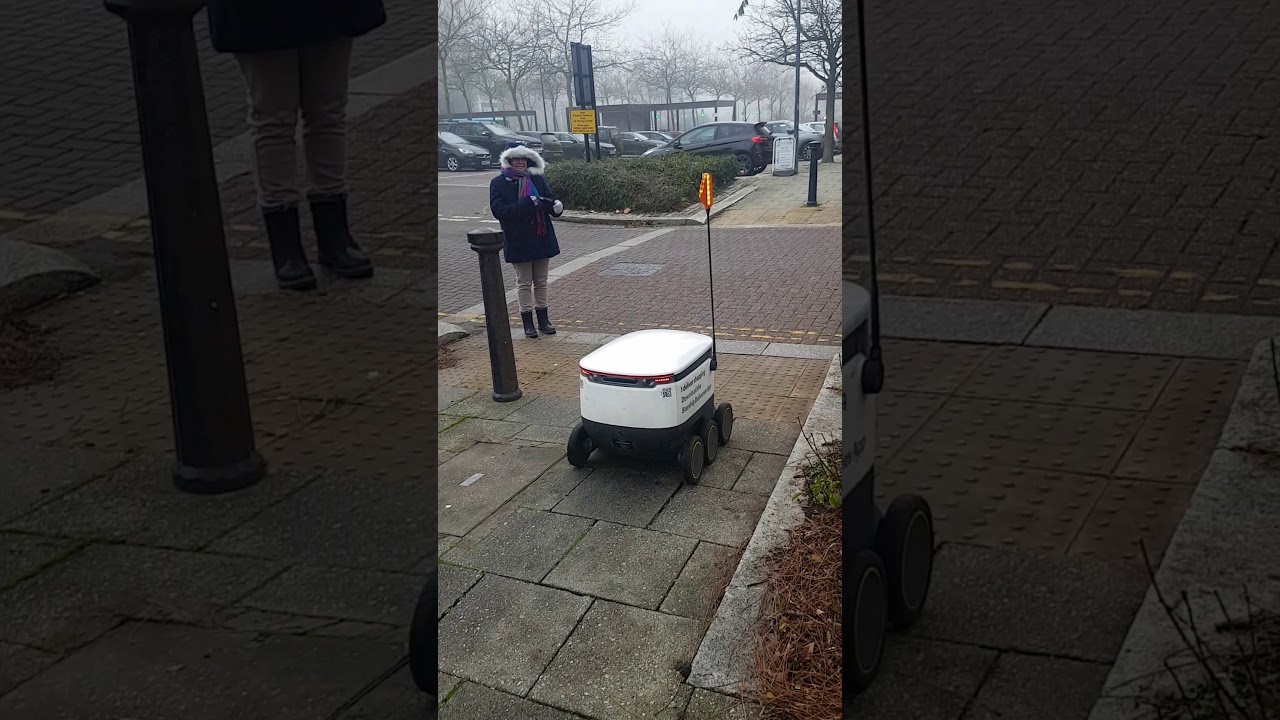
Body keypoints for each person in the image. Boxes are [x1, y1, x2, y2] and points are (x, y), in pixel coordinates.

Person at [206, 0, 386, 291]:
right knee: (274, 120)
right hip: (259, 13)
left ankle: (334, 237)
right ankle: (287, 245)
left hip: (328, 10)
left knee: (327, 113)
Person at [489, 144, 564, 338]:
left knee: (541, 281)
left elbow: (547, 199)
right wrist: (524, 205)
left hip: (541, 237)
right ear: (509, 161)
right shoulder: (499, 183)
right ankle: (527, 323)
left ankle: (544, 320)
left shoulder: (536, 178)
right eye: (516, 159)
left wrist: (555, 207)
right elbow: (500, 211)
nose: (520, 162)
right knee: (523, 283)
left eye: (523, 159)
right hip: (518, 239)